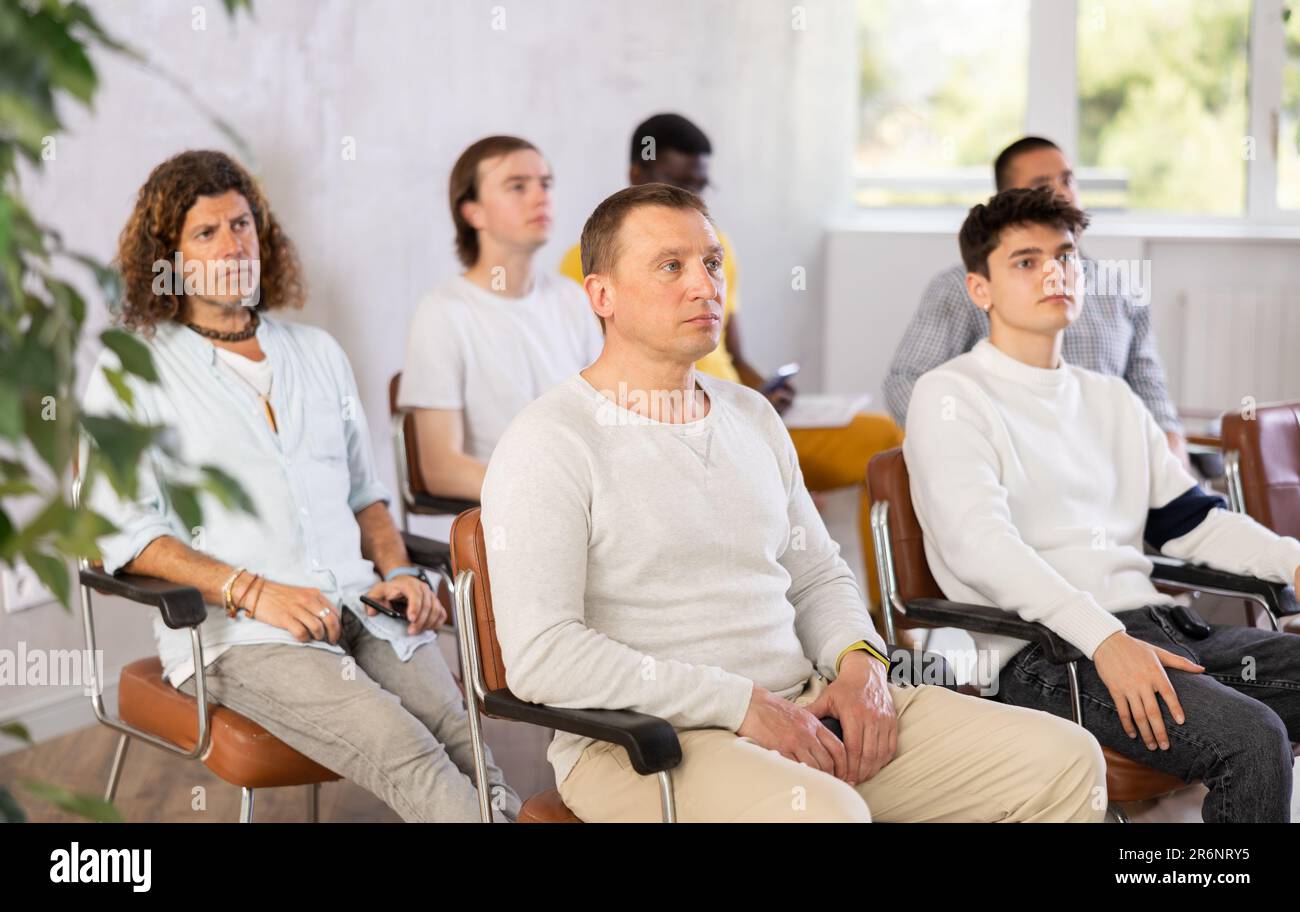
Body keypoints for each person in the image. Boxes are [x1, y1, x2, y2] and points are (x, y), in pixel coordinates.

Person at [485, 182, 1107, 823]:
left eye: (711, 262)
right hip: (642, 743)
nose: (705, 285)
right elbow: (544, 656)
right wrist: (740, 704)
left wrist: (860, 664)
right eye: (671, 266)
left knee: (1064, 760)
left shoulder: (752, 416)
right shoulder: (549, 440)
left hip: (807, 706)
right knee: (828, 814)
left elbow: (817, 575)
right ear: (602, 295)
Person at [83, 150, 520, 822]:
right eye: (206, 233)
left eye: (243, 225)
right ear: (165, 258)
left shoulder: (318, 354)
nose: (233, 245)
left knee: (468, 738)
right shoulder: (132, 368)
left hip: (363, 603)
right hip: (241, 637)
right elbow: (122, 531)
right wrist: (256, 593)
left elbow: (364, 495)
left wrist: (400, 570)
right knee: (408, 753)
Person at [905, 187, 1300, 822]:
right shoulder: (950, 395)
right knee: (1251, 740)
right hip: (1049, 653)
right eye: (1026, 261)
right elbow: (977, 546)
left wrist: (1292, 562)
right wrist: (1103, 637)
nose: (1054, 272)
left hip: (1162, 631)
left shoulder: (1110, 397)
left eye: (1066, 255)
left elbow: (1188, 522)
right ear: (980, 289)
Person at [561, 113, 904, 613]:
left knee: (883, 441)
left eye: (700, 185)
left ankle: (891, 622)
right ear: (638, 173)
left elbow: (735, 355)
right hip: (660, 422)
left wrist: (766, 393)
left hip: (740, 413)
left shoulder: (713, 245)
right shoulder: (586, 262)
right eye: (672, 267)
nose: (703, 282)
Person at [884, 135, 1188, 466]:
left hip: (1117, 463)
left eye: (1068, 180)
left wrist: (1171, 448)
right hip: (1018, 461)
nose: (1063, 193)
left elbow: (1149, 385)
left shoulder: (1120, 286)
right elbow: (906, 381)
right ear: (1009, 199)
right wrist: (974, 444)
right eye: (1043, 186)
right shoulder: (962, 287)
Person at [399, 136, 603, 501]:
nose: (540, 197)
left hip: (589, 508)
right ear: (472, 212)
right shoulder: (443, 312)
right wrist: (547, 495)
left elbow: (604, 420)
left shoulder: (572, 299)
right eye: (518, 186)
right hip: (511, 520)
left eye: (545, 184)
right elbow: (440, 469)